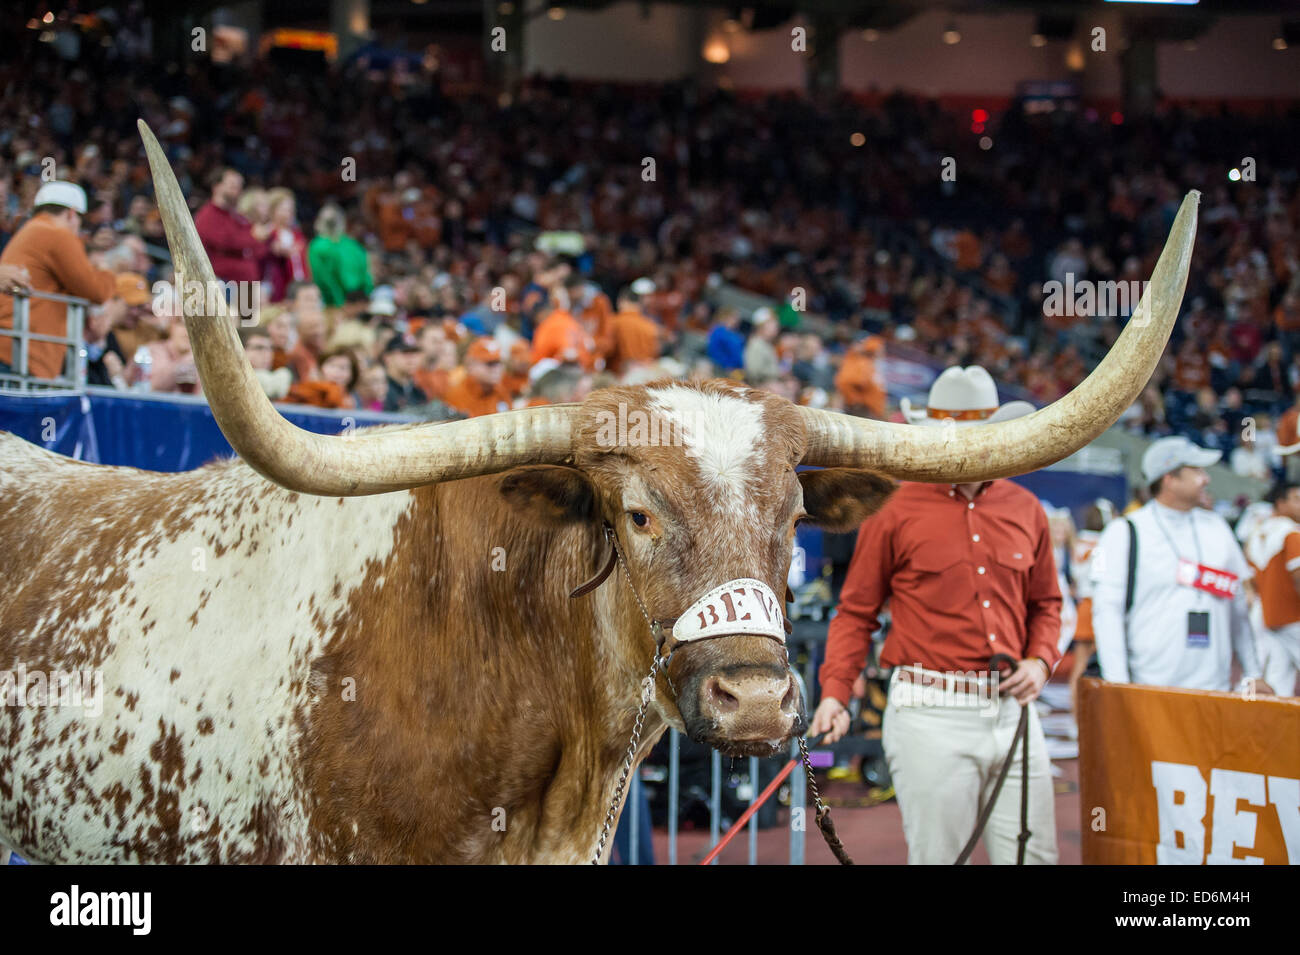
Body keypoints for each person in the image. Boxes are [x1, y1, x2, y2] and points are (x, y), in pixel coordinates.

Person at [809, 365, 1061, 865]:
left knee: (1037, 857)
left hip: (1013, 712)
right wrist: (836, 692)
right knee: (941, 858)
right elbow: (857, 611)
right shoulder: (894, 509)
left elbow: (1047, 604)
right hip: (929, 712)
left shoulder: (1026, 508)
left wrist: (1040, 661)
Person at [1089, 436, 1270, 694]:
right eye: (1196, 471)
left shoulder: (1217, 527)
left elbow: (1239, 607)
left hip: (1214, 688)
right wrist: (1119, 685)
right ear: (1169, 479)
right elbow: (1107, 612)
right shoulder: (1126, 531)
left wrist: (1253, 673)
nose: (1206, 479)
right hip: (1149, 686)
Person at [0, 181, 116, 379]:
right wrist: (105, 269)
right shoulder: (57, 234)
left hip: (15, 350)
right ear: (72, 214)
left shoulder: (30, 230)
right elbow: (97, 291)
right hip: (23, 355)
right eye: (80, 220)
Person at [1242, 481, 1300, 696]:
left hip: (1266, 616)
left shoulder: (1256, 533)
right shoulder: (1291, 534)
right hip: (1293, 617)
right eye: (1296, 499)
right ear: (1280, 502)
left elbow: (1249, 579)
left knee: (1278, 680)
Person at [194, 167, 268, 286]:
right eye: (232, 185)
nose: (237, 189)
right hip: (223, 284)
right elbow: (226, 242)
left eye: (239, 186)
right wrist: (253, 237)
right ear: (216, 186)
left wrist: (253, 240)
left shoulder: (238, 216)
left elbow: (259, 249)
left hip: (246, 284)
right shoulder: (207, 215)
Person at [308, 204, 373, 307]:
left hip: (339, 302)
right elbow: (366, 276)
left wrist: (338, 302)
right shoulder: (353, 245)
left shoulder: (318, 246)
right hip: (352, 299)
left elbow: (323, 278)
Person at [442, 338, 511, 417]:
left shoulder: (502, 392)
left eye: (498, 362)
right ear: (471, 365)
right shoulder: (455, 396)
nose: (496, 369)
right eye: (490, 363)